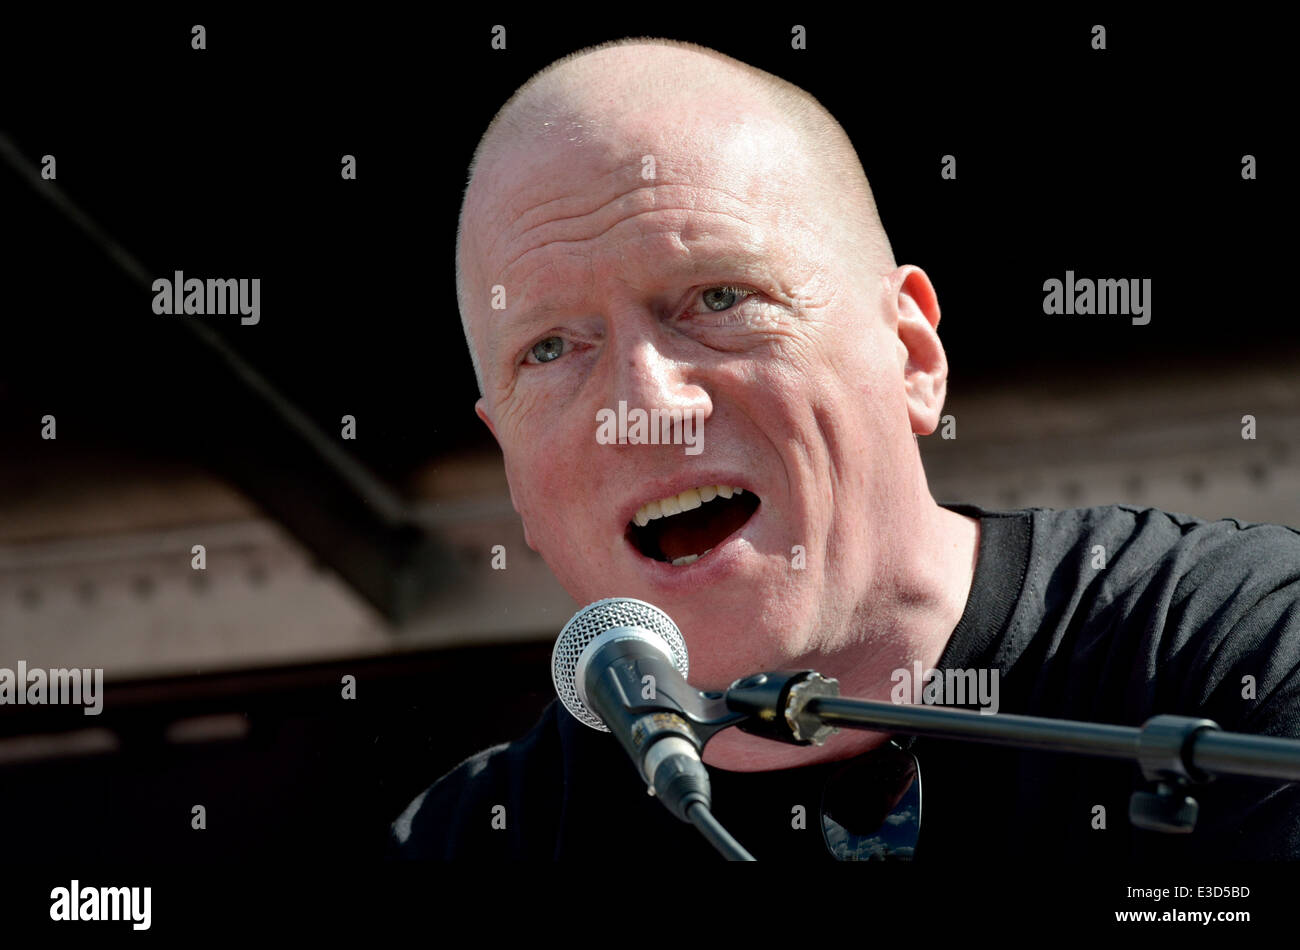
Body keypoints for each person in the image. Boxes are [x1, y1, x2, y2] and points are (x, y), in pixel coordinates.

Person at [390, 37, 1300, 861]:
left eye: (717, 299)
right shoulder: (463, 855)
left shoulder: (1234, 654)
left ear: (910, 355)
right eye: (550, 349)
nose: (647, 405)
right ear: (512, 467)